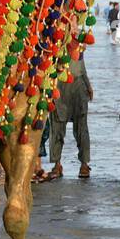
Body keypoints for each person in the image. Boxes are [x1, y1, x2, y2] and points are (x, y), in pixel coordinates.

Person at [44, 39, 92, 180]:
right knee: (57, 126)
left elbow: (81, 65)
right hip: (58, 83)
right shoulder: (54, 31)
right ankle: (57, 164)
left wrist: (88, 85)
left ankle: (84, 163)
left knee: (82, 126)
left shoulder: (79, 36)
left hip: (78, 84)